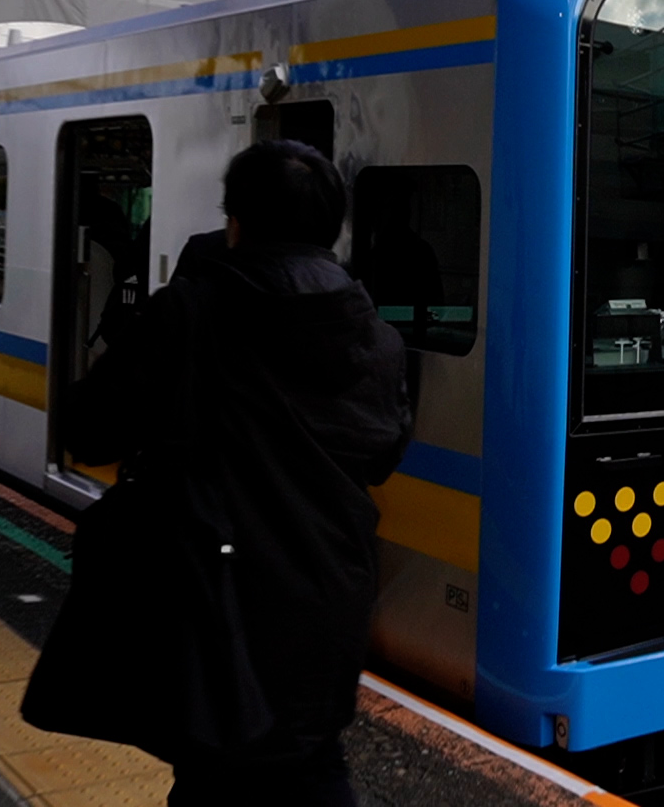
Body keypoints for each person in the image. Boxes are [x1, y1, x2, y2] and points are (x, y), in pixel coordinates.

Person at [23, 141, 412, 806]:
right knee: (309, 758)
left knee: (216, 774)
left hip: (218, 595)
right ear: (331, 227)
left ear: (237, 223)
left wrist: (181, 296)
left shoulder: (194, 309)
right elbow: (381, 453)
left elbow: (87, 432)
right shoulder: (375, 333)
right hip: (331, 592)